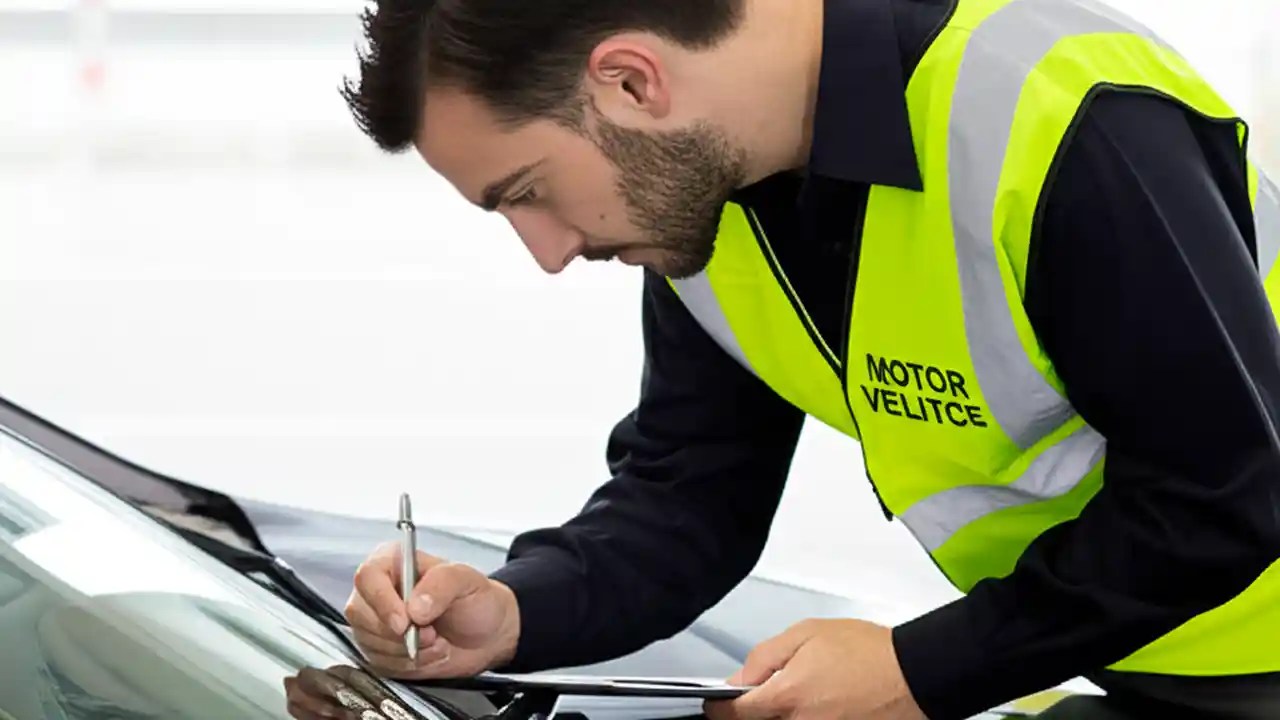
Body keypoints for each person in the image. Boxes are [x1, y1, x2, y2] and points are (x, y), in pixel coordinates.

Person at [337, 0, 1280, 717]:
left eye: (528, 192)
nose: (546, 252)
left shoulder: (1056, 113)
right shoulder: (701, 191)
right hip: (1135, 658)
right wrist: (512, 613)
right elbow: (687, 495)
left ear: (632, 82)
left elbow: (1223, 490)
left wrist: (920, 671)